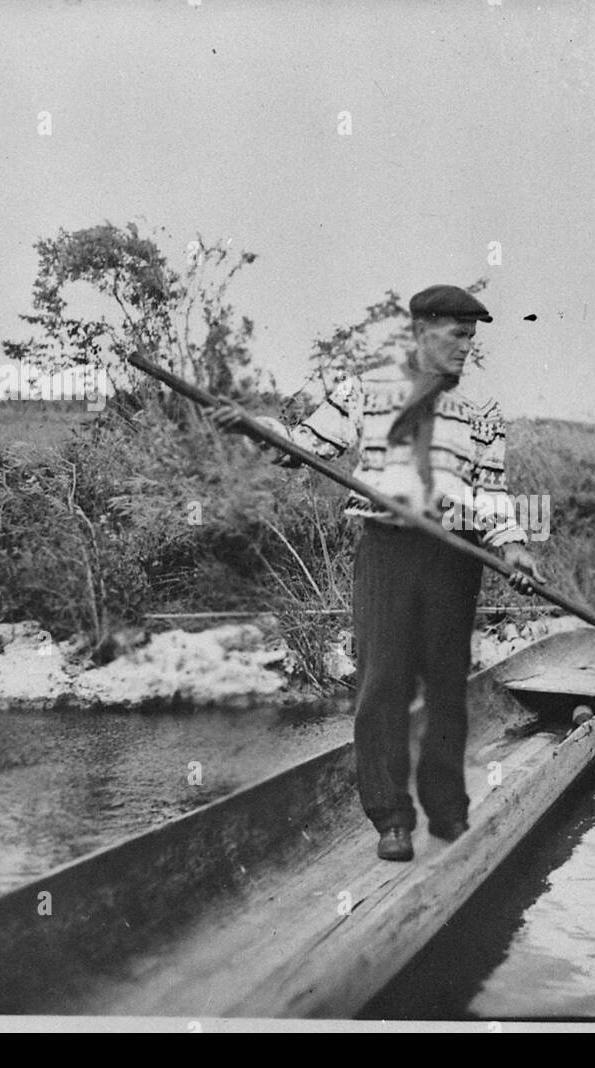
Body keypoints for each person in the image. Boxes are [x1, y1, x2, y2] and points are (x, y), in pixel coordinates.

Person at [207, 284, 544, 862]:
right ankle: (390, 818)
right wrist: (253, 427)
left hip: (455, 554)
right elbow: (305, 446)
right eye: (457, 335)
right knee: (381, 680)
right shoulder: (366, 391)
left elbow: (491, 492)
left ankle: (447, 809)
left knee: (445, 684)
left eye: (472, 337)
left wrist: (512, 546)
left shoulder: (483, 410)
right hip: (386, 549)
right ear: (422, 331)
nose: (467, 347)